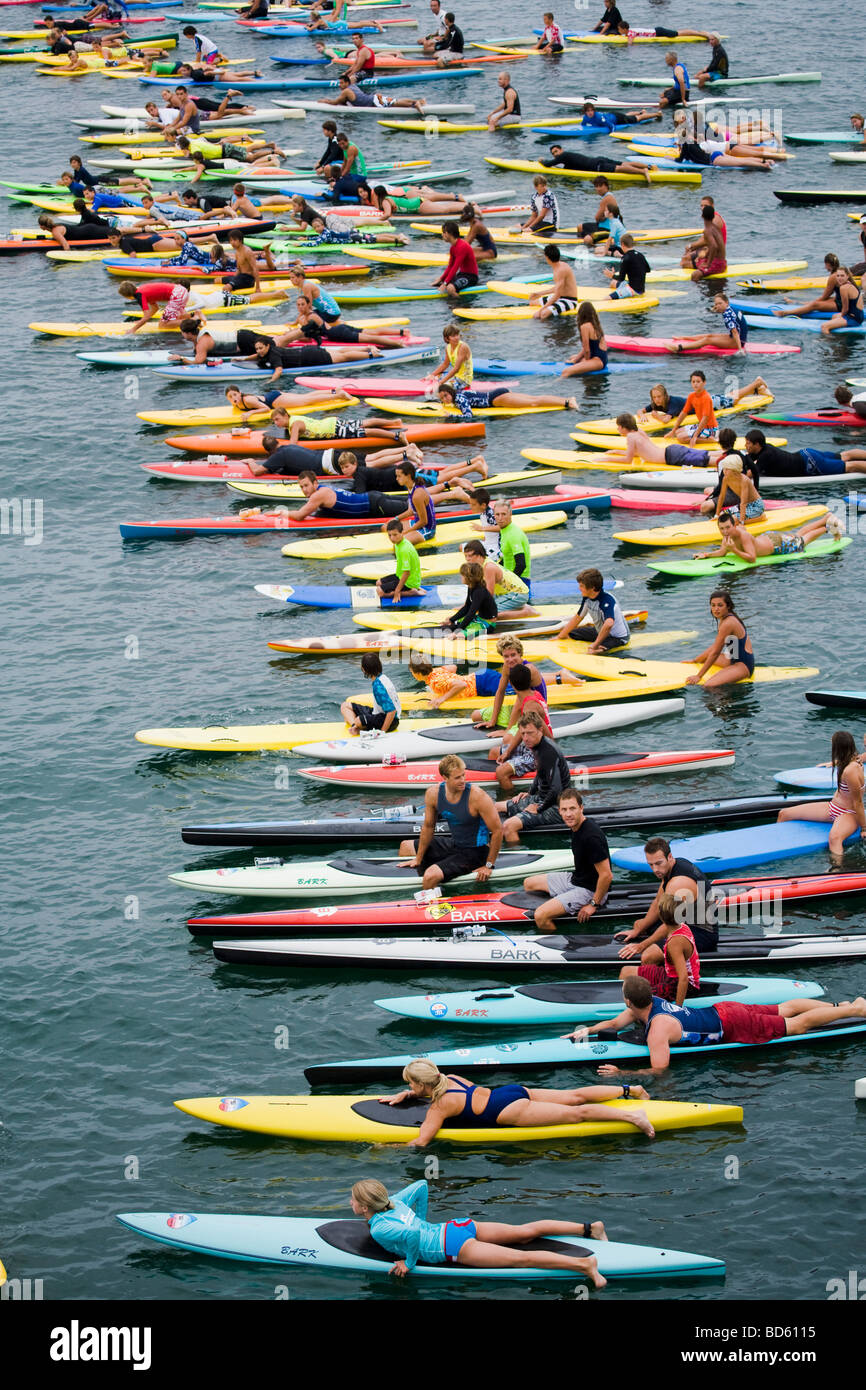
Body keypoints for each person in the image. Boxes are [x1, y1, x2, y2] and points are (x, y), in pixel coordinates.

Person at [571, 976, 866, 1076]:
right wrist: (587, 1030)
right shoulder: (651, 1002)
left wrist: (622, 1073)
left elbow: (660, 1068)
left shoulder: (658, 1028)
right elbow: (613, 1022)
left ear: (628, 1000)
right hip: (724, 1010)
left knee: (797, 1025)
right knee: (786, 1007)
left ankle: (854, 1010)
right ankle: (844, 1007)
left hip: (733, 1024)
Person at [351, 1177, 610, 1281]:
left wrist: (409, 1261)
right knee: (524, 1231)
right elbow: (421, 1185)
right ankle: (590, 1228)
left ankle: (585, 1266)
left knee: (522, 1259)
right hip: (459, 1226)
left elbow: (413, 1235)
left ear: (364, 1208)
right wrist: (420, 1219)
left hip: (453, 1247)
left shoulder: (379, 1229)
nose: (349, 1202)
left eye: (353, 1199)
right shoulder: (394, 1202)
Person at [379, 1057, 654, 1147]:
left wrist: (386, 1146)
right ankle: (631, 1089)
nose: (409, 1087)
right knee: (575, 1096)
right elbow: (430, 1089)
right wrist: (407, 1094)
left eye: (410, 1083)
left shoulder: (440, 1107)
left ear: (423, 1084)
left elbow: (421, 1142)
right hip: (509, 1092)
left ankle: (633, 1117)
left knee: (577, 1113)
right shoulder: (448, 1077)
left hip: (509, 1110)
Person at [398, 753, 502, 886]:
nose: (463, 780)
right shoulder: (433, 793)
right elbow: (429, 826)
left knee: (431, 876)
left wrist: (489, 865)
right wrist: (418, 858)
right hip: (456, 845)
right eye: (457, 777)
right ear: (445, 777)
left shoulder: (477, 797)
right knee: (405, 846)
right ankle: (417, 880)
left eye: (464, 775)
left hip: (476, 852)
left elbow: (498, 830)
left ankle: (433, 902)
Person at [523, 786, 613, 925]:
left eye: (572, 808)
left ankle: (556, 938)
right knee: (529, 883)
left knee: (540, 916)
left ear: (581, 808)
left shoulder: (591, 836)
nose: (568, 814)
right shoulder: (576, 827)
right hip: (576, 879)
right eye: (564, 809)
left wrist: (593, 904)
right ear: (559, 811)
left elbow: (607, 875)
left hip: (589, 890)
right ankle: (562, 902)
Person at [615, 837, 717, 955]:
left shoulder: (678, 883)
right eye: (651, 865)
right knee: (639, 924)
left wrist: (641, 946)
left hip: (702, 934)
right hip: (683, 923)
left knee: (649, 955)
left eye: (658, 863)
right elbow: (658, 901)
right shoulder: (670, 867)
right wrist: (637, 930)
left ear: (669, 857)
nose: (655, 869)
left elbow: (671, 923)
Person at [778, 730, 866, 860]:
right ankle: (781, 847)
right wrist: (834, 763)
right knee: (784, 814)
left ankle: (837, 870)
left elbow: (858, 802)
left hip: (848, 813)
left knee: (835, 838)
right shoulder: (853, 760)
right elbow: (860, 757)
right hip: (833, 807)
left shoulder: (851, 771)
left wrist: (864, 828)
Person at [617, 893, 703, 1005]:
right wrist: (642, 945)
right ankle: (620, 1003)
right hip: (669, 975)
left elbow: (683, 978)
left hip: (679, 985)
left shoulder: (675, 943)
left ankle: (630, 1008)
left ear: (661, 917)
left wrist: (678, 1007)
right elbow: (664, 930)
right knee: (626, 972)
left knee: (640, 999)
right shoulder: (680, 925)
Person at [497, 725, 575, 844]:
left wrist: (539, 809)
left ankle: (518, 858)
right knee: (494, 807)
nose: (525, 738)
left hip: (556, 807)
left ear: (540, 730)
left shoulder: (548, 752)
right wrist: (529, 793)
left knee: (508, 826)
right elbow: (539, 775)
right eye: (523, 734)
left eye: (530, 733)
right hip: (542, 799)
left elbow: (556, 789)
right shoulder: (538, 746)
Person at [695, 506, 845, 562]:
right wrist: (707, 555)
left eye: (727, 527)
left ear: (733, 525)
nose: (725, 531)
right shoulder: (727, 536)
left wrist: (734, 550)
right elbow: (722, 552)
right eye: (721, 528)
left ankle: (828, 527)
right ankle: (825, 518)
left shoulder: (742, 535)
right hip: (768, 537)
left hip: (776, 545)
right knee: (796, 535)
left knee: (801, 541)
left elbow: (752, 558)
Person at [686, 588, 754, 686]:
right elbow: (714, 647)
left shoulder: (728, 623)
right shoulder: (725, 618)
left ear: (728, 606)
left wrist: (699, 676)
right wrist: (695, 661)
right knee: (704, 659)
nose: (716, 609)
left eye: (720, 605)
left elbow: (716, 652)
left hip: (743, 666)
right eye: (713, 605)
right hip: (732, 660)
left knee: (708, 685)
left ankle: (727, 701)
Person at [280, 469, 397, 524]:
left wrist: (284, 513)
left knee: (412, 507)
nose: (304, 490)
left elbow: (300, 516)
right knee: (409, 501)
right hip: (373, 498)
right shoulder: (323, 489)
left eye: (306, 485)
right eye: (301, 487)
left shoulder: (318, 495)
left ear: (315, 483)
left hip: (376, 505)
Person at [556, 567, 629, 652]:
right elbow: (578, 617)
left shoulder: (606, 601)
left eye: (581, 586)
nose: (579, 588)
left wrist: (595, 645)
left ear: (593, 588)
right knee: (570, 633)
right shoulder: (587, 597)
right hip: (600, 632)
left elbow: (609, 624)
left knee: (593, 651)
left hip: (617, 638)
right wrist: (560, 636)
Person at [743, 428, 866, 479]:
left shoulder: (766, 455)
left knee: (849, 466)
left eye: (748, 443)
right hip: (807, 453)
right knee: (845, 456)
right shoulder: (763, 448)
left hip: (810, 464)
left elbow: (749, 474)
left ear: (757, 444)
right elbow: (746, 460)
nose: (745, 446)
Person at [408, 655, 508, 713]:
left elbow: (462, 685)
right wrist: (450, 679)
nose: (412, 674)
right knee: (514, 679)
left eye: (411, 672)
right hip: (480, 676)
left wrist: (442, 698)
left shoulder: (436, 682)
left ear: (417, 673)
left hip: (483, 684)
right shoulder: (435, 671)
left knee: (518, 687)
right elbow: (453, 667)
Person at [437, 381, 577, 419]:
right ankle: (566, 400)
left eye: (445, 396)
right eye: (442, 398)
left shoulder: (460, 398)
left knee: (535, 402)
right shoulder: (459, 394)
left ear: (451, 392)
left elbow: (468, 415)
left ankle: (567, 402)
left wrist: (452, 416)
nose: (445, 399)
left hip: (497, 399)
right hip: (498, 394)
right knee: (535, 399)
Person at [339, 651, 402, 733]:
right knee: (345, 706)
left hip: (391, 721)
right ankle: (355, 727)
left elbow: (392, 711)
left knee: (358, 720)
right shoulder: (382, 677)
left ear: (363, 669)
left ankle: (357, 726)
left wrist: (382, 732)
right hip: (378, 713)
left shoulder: (378, 687)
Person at [668, 293, 747, 353]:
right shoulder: (730, 309)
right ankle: (684, 338)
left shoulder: (727, 314)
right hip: (738, 338)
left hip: (738, 341)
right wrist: (715, 309)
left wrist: (740, 350)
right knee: (709, 335)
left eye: (720, 303)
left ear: (726, 302)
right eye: (716, 304)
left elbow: (735, 332)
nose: (718, 306)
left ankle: (679, 348)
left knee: (707, 340)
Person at [542, 142, 654, 184]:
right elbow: (568, 167)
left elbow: (548, 164)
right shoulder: (568, 157)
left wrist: (542, 161)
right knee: (623, 164)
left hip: (596, 166)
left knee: (619, 169)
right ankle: (648, 166)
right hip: (598, 159)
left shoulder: (563, 155)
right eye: (553, 153)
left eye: (556, 151)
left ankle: (642, 171)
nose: (555, 154)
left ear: (561, 150)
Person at [441, 561, 498, 635]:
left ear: (469, 577)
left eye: (462, 575)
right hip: (478, 618)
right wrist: (451, 620)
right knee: (451, 626)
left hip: (487, 624)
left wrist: (457, 631)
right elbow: (467, 607)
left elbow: (471, 613)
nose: (461, 577)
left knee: (460, 636)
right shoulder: (471, 587)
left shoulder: (479, 592)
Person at [374, 521, 425, 601]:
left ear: (402, 533)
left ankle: (411, 592)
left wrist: (397, 591)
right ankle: (407, 589)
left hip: (409, 581)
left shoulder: (404, 549)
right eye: (389, 535)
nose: (392, 538)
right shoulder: (398, 544)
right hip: (400, 575)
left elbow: (407, 572)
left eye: (395, 535)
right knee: (378, 583)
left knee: (380, 592)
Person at [528, 243, 579, 319]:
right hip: (560, 297)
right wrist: (539, 293)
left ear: (547, 258)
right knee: (532, 303)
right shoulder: (557, 267)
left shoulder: (561, 270)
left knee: (543, 314)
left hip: (569, 300)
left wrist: (541, 309)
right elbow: (558, 288)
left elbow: (557, 295)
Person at [393, 460, 437, 543]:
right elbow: (411, 511)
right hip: (416, 522)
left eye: (399, 476)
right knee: (387, 527)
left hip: (427, 529)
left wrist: (407, 531)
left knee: (398, 542)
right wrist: (396, 519)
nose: (397, 479)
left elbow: (424, 521)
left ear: (408, 476)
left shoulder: (417, 495)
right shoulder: (411, 488)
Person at [561, 302, 609, 377]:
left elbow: (587, 350)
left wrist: (585, 363)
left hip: (598, 361)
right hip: (602, 358)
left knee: (566, 371)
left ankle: (552, 384)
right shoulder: (596, 324)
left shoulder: (585, 326)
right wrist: (575, 361)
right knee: (573, 357)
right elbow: (586, 349)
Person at [432, 221, 478, 298]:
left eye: (444, 232)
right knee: (442, 281)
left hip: (471, 277)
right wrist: (441, 279)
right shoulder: (453, 248)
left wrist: (445, 284)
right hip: (461, 274)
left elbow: (455, 268)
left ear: (450, 234)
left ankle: (461, 304)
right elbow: (450, 266)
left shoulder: (462, 246)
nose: (442, 235)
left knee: (450, 288)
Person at [603, 233, 652, 298]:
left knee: (607, 298)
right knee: (613, 283)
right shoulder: (641, 255)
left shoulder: (625, 258)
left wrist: (612, 275)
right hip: (641, 289)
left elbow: (621, 278)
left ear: (622, 244)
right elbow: (648, 270)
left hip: (632, 290)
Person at [578, 177, 622, 244]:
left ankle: (592, 250)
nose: (598, 189)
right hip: (603, 226)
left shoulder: (607, 198)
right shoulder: (610, 196)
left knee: (587, 239)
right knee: (580, 227)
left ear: (606, 186)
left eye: (600, 186)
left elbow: (597, 218)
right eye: (596, 186)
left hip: (608, 229)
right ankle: (581, 244)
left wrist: (602, 218)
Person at [430, 322, 474, 389]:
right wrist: (432, 375)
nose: (457, 338)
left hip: (464, 380)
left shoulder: (462, 347)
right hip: (456, 376)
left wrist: (441, 383)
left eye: (457, 335)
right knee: (435, 376)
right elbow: (445, 364)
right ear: (447, 338)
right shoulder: (448, 347)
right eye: (453, 336)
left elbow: (456, 369)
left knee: (442, 388)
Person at [579, 99, 661, 131]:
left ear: (594, 110)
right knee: (627, 115)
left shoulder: (599, 118)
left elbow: (612, 126)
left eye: (591, 110)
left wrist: (612, 134)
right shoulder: (585, 118)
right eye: (588, 111)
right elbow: (583, 125)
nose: (590, 112)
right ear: (585, 112)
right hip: (612, 115)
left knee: (637, 119)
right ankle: (641, 111)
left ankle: (657, 114)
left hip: (618, 119)